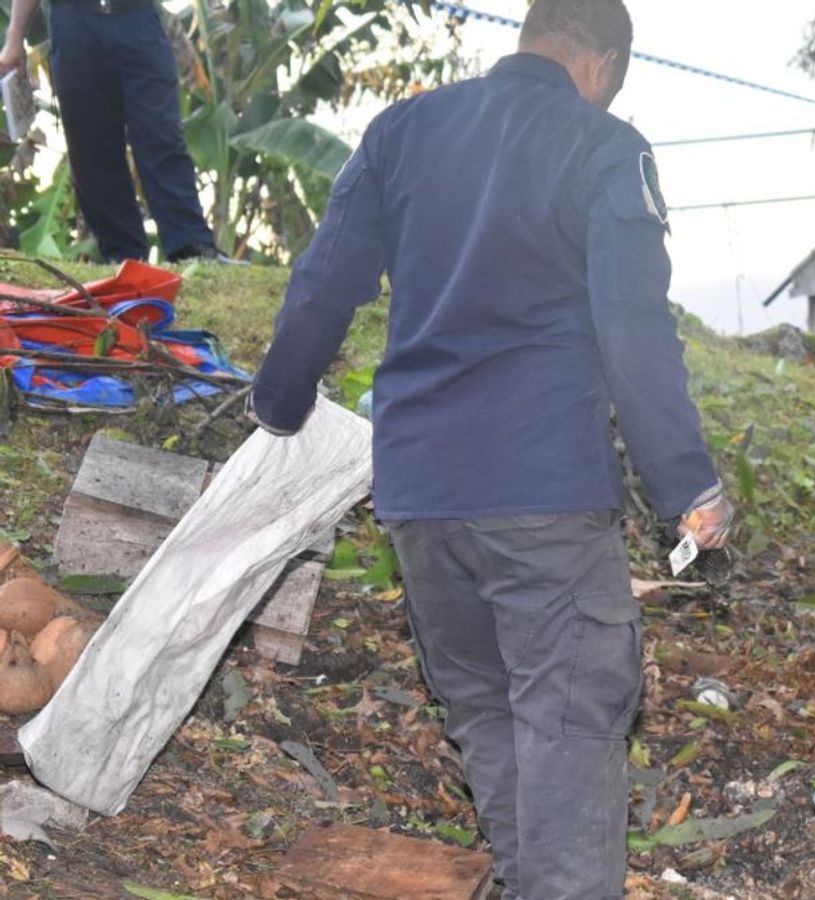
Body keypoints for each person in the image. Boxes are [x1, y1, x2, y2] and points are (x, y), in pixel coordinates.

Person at [245, 1, 733, 897]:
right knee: (569, 723)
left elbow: (323, 284)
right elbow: (632, 327)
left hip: (421, 495)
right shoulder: (604, 146)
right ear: (604, 63)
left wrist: (277, 403)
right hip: (542, 489)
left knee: (487, 709)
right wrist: (687, 484)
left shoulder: (402, 131)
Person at [1, 0, 228, 262]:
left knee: (161, 135)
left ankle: (191, 247)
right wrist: (14, 38)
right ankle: (124, 257)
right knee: (91, 149)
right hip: (73, 22)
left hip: (137, 17)